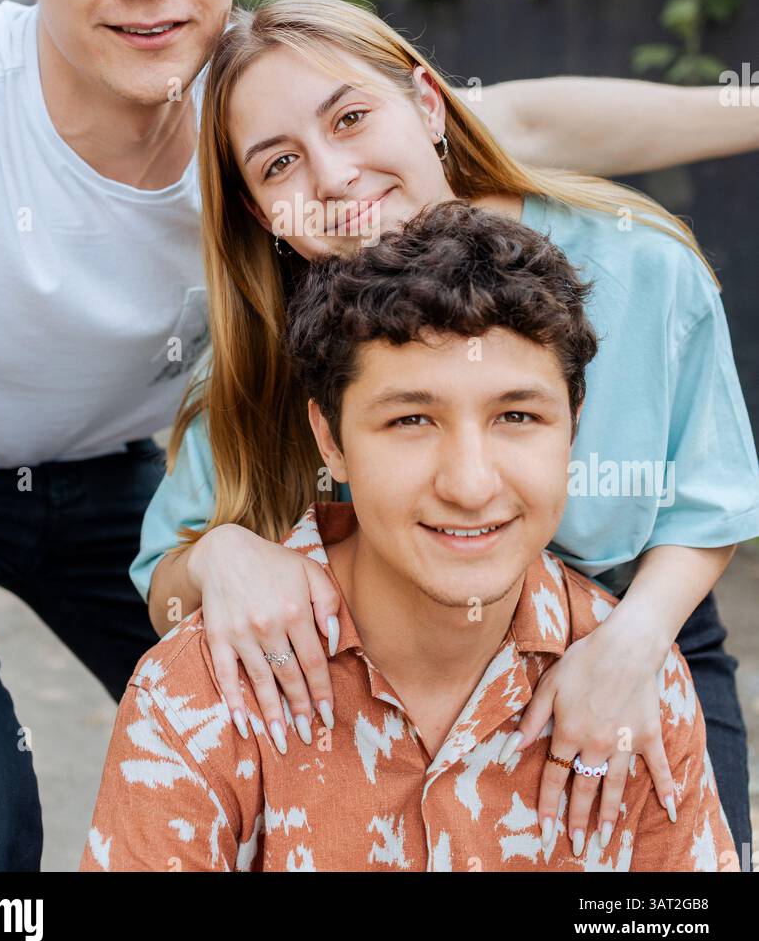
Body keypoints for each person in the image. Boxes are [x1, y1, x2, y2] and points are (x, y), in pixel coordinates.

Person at [0, 0, 756, 875]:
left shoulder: (281, 110)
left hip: (109, 473)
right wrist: (215, 556)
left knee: (330, 724)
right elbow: (187, 556)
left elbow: (525, 114)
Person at [135, 0, 759, 872]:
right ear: (257, 211)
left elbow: (710, 502)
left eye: (351, 118)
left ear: (427, 106)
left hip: (632, 628)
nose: (334, 175)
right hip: (395, 678)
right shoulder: (265, 357)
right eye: (279, 165)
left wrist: (630, 650)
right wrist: (219, 556)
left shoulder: (641, 266)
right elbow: (165, 581)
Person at [83, 201, 738, 872]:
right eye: (410, 422)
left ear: (572, 424)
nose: (469, 484)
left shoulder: (634, 683)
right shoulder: (199, 692)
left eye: (515, 415)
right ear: (330, 441)